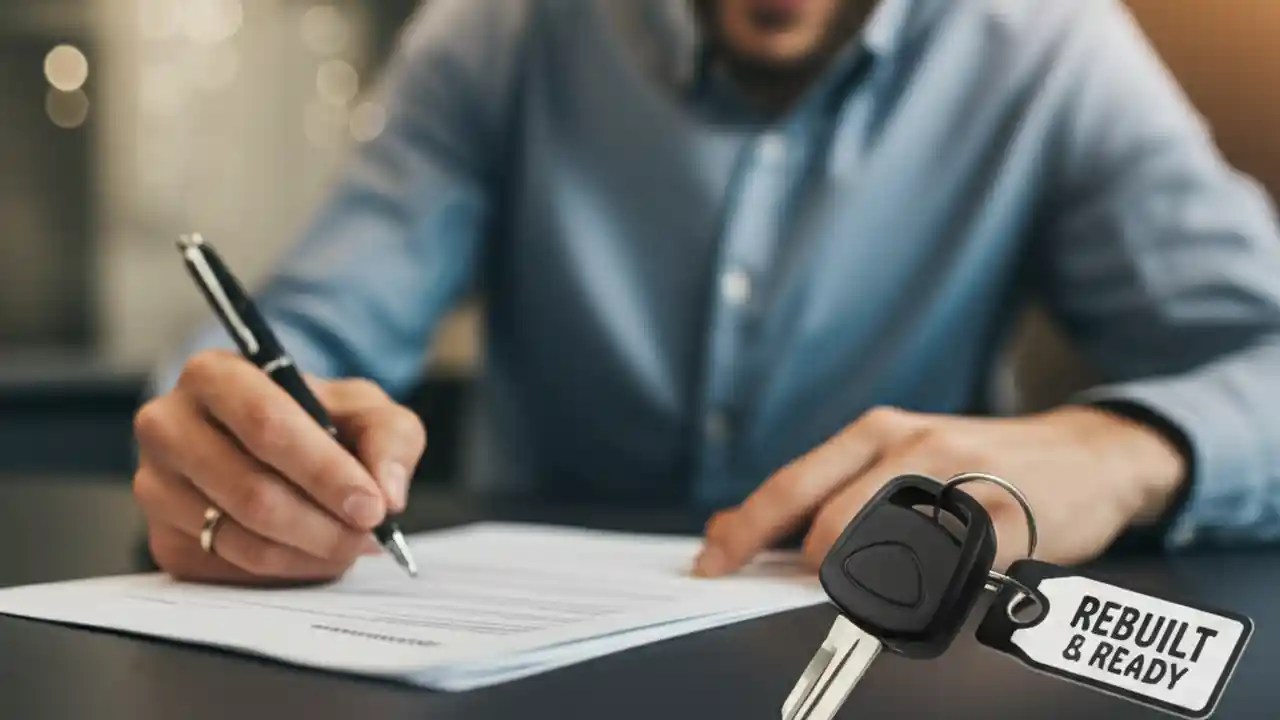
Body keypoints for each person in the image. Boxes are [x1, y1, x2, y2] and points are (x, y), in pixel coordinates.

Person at [132, 0, 1280, 585]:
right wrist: (236, 441)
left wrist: (1118, 448)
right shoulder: (505, 28)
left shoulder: (1041, 45)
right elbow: (306, 334)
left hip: (902, 651)